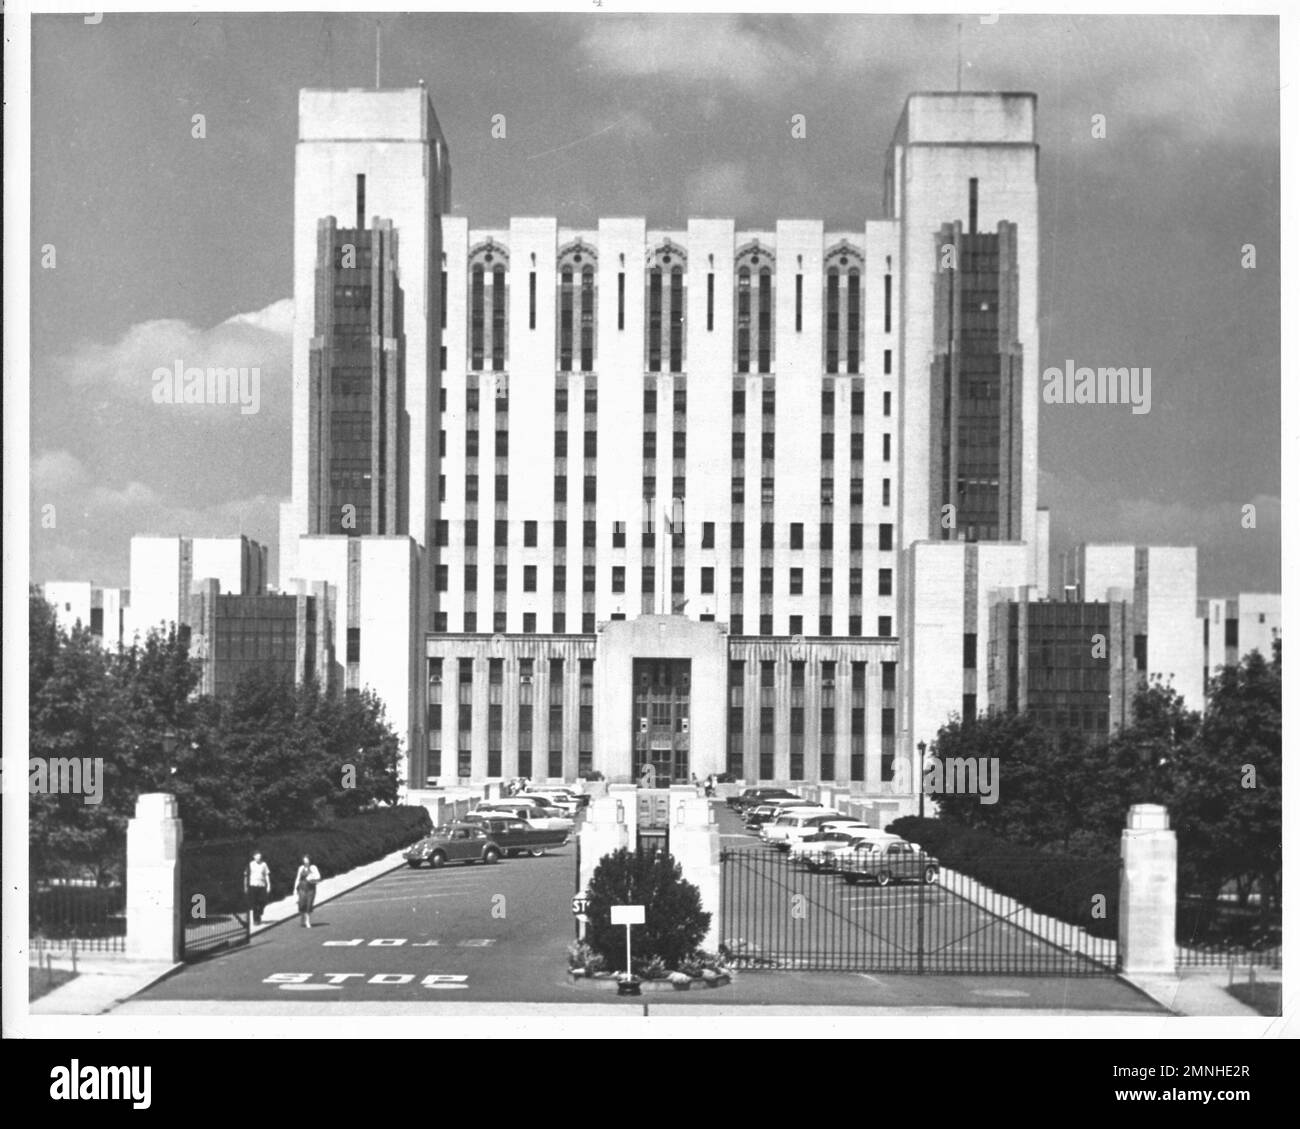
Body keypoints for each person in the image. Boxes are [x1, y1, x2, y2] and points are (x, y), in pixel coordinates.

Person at [294, 855, 321, 928]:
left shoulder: (313, 867)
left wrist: (312, 877)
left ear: (309, 860)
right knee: (302, 904)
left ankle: (307, 921)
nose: (306, 862)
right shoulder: (301, 868)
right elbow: (297, 878)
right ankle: (302, 916)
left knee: (309, 905)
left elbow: (318, 876)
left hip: (311, 888)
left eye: (307, 860)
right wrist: (295, 889)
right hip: (302, 888)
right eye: (304, 860)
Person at [245, 850, 271, 925]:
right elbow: (246, 875)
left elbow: (267, 875)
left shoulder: (264, 864)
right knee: (254, 903)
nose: (258, 858)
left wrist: (269, 885)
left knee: (263, 902)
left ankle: (260, 913)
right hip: (253, 886)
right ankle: (256, 920)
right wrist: (246, 886)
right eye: (257, 857)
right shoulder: (250, 864)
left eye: (260, 857)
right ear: (254, 857)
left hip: (262, 886)